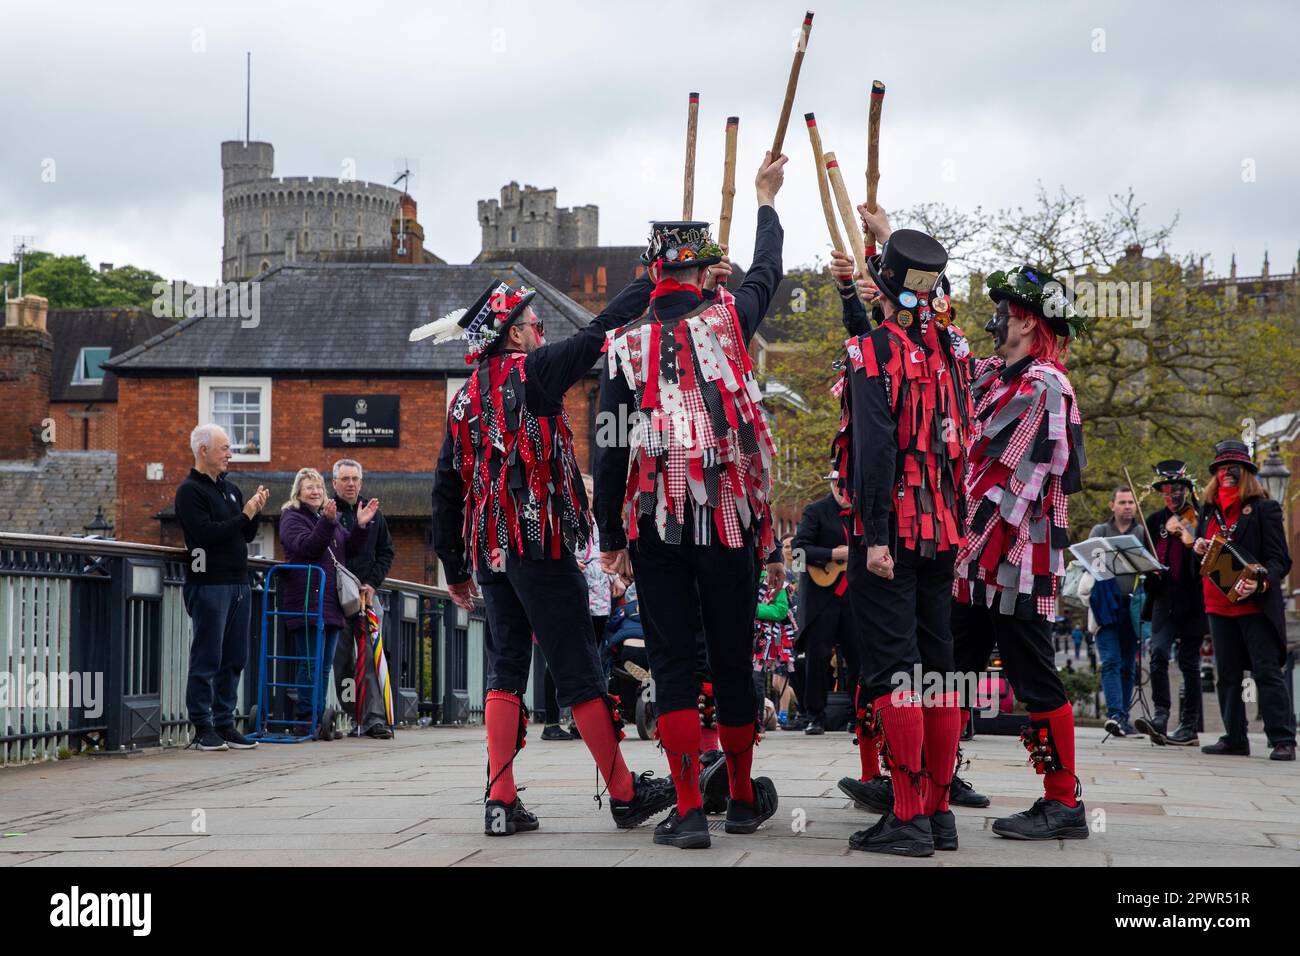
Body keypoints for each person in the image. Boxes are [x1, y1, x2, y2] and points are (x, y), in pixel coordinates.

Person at [424, 271, 675, 837]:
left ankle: (500, 801)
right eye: (535, 324)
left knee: (505, 670)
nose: (542, 332)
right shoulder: (533, 374)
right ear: (513, 336)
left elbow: (446, 489)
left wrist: (455, 569)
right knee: (579, 669)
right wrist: (652, 279)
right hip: (538, 545)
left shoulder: (463, 400)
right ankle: (625, 793)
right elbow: (601, 331)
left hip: (491, 553)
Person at [595, 151, 788, 850]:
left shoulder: (624, 346)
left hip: (655, 527)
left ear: (652, 275)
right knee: (733, 659)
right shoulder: (730, 320)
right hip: (730, 521)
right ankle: (738, 796)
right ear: (705, 272)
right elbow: (768, 272)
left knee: (673, 660)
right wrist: (767, 201)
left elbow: (608, 449)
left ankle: (687, 811)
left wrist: (609, 536)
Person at [827, 206, 974, 857]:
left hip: (891, 534)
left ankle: (910, 817)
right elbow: (935, 305)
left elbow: (876, 448)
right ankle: (939, 814)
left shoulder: (868, 352)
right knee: (937, 673)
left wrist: (877, 535)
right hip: (944, 529)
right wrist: (889, 236)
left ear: (881, 292)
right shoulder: (951, 349)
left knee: (895, 674)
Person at [948, 254, 1093, 841]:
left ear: (1030, 321)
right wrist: (889, 259)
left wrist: (954, 541)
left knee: (1034, 674)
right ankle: (933, 776)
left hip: (1017, 559)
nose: (993, 319)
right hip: (976, 558)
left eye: (1004, 310)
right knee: (953, 670)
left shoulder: (1043, 386)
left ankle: (1064, 803)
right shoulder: (995, 374)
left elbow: (1007, 478)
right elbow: (946, 351)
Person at [1193, 440, 1296, 760]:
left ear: (1247, 472)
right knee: (1227, 675)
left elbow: (1281, 561)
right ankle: (1235, 737)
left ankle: (1282, 739)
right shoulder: (1207, 509)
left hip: (1254, 604)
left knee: (1266, 672)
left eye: (1233, 468)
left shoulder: (1265, 508)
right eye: (1221, 469)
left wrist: (1261, 582)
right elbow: (1204, 547)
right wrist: (1199, 547)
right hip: (1218, 603)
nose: (1226, 474)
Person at [174, 423, 269, 751]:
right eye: (224, 448)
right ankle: (203, 727)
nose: (230, 453)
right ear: (204, 450)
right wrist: (244, 515)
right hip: (208, 582)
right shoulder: (190, 491)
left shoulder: (230, 488)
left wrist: (253, 511)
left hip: (239, 582)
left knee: (235, 656)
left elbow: (242, 534)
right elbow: (206, 534)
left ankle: (225, 722)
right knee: (207, 656)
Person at [278, 467, 377, 738]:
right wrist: (327, 522)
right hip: (307, 600)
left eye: (319, 487)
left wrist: (360, 525)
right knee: (309, 662)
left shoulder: (328, 519)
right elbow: (307, 547)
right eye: (309, 487)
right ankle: (305, 718)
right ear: (298, 491)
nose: (315, 491)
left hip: (331, 603)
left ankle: (317, 719)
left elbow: (350, 549)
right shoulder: (292, 517)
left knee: (323, 665)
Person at [1134, 460, 1207, 745]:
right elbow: (1146, 558)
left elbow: (1207, 559)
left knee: (1190, 662)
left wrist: (1191, 537)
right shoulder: (1153, 522)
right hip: (1164, 597)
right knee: (1159, 654)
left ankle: (1189, 724)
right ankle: (1161, 716)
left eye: (1176, 490)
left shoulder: (1199, 518)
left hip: (1192, 598)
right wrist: (1149, 568)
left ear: (1186, 490)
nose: (1171, 496)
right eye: (1165, 491)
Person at [331, 458, 396, 739]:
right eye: (345, 479)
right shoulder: (328, 512)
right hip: (335, 598)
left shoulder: (374, 513)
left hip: (367, 598)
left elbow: (386, 552)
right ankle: (348, 713)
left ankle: (374, 719)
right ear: (334, 483)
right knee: (341, 660)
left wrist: (372, 584)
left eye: (355, 479)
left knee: (371, 657)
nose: (350, 484)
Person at [1087, 486, 1152, 737]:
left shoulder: (1141, 532)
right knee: (1111, 661)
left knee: (1128, 664)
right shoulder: (1100, 532)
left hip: (1134, 605)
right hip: (1106, 605)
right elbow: (1089, 565)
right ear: (1111, 505)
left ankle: (1123, 718)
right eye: (1122, 502)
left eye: (1131, 502)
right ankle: (1114, 714)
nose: (1127, 506)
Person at [791, 476, 854, 736]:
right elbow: (798, 552)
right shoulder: (816, 511)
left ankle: (859, 714)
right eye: (839, 484)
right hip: (822, 598)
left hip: (853, 597)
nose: (843, 490)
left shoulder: (863, 512)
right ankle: (814, 715)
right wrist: (833, 554)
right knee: (817, 657)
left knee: (857, 658)